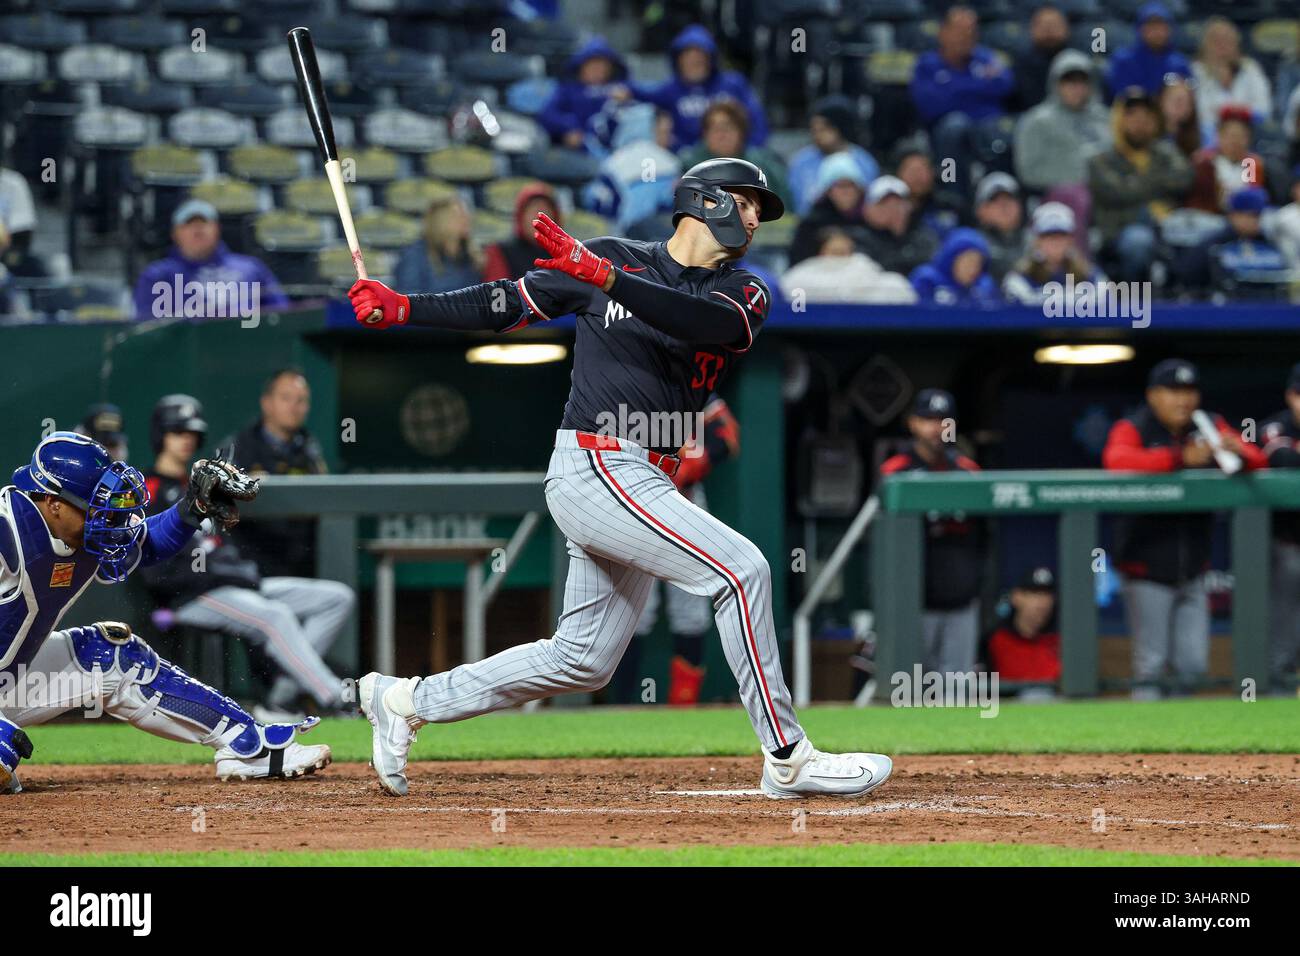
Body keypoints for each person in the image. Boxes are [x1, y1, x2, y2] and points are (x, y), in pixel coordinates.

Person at [344, 157, 892, 799]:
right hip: (596, 461)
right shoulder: (608, 256)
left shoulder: (743, 290)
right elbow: (503, 305)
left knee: (583, 658)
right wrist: (403, 306)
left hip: (649, 477)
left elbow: (704, 324)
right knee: (743, 572)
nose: (752, 218)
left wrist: (603, 277)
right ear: (703, 199)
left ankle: (406, 700)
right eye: (744, 203)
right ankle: (789, 756)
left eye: (757, 210)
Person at [0, 432, 330, 792]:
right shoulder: (7, 531)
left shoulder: (82, 532)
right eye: (94, 508)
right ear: (52, 503)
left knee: (114, 656)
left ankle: (249, 746)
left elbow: (145, 541)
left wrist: (192, 508)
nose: (107, 520)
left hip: (12, 679)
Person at [141, 395, 352, 722]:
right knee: (276, 616)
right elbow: (156, 567)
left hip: (236, 584)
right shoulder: (148, 489)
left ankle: (281, 700)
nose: (186, 440)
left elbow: (223, 545)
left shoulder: (202, 485)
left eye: (192, 434)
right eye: (177, 432)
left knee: (336, 598)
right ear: (160, 435)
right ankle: (337, 698)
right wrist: (222, 574)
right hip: (191, 596)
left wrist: (238, 571)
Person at [1102, 359, 1267, 699]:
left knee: (1192, 666)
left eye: (1189, 391)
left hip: (1193, 568)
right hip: (1145, 566)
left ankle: (1178, 752)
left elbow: (1257, 458)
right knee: (1151, 665)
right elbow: (1117, 461)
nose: (1183, 400)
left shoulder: (1208, 425)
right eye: (1173, 392)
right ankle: (1140, 748)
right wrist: (1178, 459)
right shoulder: (1134, 427)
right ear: (1153, 395)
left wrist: (1241, 452)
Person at [625, 397, 740, 706]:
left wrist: (692, 463)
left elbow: (727, 435)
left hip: (685, 500)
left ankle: (682, 709)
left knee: (690, 612)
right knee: (634, 612)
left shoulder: (691, 387)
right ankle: (618, 707)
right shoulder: (627, 390)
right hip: (636, 501)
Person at [879, 390, 984, 679]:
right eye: (928, 420)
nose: (936, 428)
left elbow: (986, 539)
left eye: (943, 420)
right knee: (909, 689)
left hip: (961, 600)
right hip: (913, 602)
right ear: (913, 423)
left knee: (955, 693)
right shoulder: (895, 471)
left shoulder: (969, 472)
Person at [225, 368, 334, 579]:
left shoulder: (310, 450)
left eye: (301, 400)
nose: (294, 407)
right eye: (286, 398)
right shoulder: (240, 447)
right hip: (254, 564)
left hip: (302, 563)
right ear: (267, 403)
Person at [1087, 87, 1193, 282]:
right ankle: (1135, 303)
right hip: (1122, 230)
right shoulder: (1101, 159)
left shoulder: (1165, 151)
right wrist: (1158, 182)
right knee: (1139, 241)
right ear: (1119, 120)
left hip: (1170, 226)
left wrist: (1137, 183)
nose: (1140, 122)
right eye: (1132, 115)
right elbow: (1118, 192)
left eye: (1147, 115)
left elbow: (1183, 178)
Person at [910, 6, 1014, 196]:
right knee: (954, 127)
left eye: (971, 31)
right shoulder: (927, 64)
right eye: (959, 30)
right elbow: (930, 104)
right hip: (943, 134)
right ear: (943, 32)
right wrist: (979, 86)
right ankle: (951, 190)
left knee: (1005, 130)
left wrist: (954, 88)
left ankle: (1000, 196)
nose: (966, 36)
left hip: (987, 127)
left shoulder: (985, 57)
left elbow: (1005, 84)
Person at [133, 199, 289, 321]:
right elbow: (147, 327)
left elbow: (281, 314)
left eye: (204, 223)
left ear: (217, 229)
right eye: (189, 224)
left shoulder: (251, 268)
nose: (198, 230)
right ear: (175, 233)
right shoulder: (158, 276)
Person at [637, 24, 769, 150]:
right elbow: (639, 92)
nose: (693, 62)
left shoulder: (733, 83)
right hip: (687, 160)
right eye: (687, 59)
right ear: (678, 62)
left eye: (699, 58)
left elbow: (757, 120)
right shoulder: (670, 90)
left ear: (710, 60)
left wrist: (750, 151)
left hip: (736, 156)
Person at [1256, 363, 1300, 692]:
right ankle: (1277, 693)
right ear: (1291, 396)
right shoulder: (1275, 425)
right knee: (1283, 634)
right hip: (1287, 544)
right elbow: (1281, 457)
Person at [1014, 49, 1112, 193]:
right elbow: (1028, 173)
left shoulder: (1105, 117)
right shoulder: (1036, 121)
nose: (1077, 89)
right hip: (1060, 196)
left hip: (1110, 193)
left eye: (1082, 82)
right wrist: (1081, 177)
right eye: (1069, 82)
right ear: (1055, 84)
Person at [678, 100, 790, 211]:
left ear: (742, 133)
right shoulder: (689, 166)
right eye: (715, 129)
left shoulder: (763, 164)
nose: (722, 135)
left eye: (728, 129)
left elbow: (783, 206)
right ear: (704, 134)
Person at [537, 36, 634, 151]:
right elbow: (548, 114)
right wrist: (570, 128)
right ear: (581, 66)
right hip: (583, 150)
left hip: (620, 148)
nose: (599, 70)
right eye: (593, 64)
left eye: (603, 65)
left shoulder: (622, 87)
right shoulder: (568, 89)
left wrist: (627, 102)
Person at [787, 96, 879, 216]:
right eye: (814, 130)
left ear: (840, 128)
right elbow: (792, 204)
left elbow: (870, 203)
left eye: (823, 130)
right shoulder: (801, 161)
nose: (817, 136)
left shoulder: (863, 162)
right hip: (809, 225)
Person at [779, 226, 918, 305]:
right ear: (821, 252)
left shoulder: (863, 265)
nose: (840, 258)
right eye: (835, 252)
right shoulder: (801, 275)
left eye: (844, 252)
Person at [1004, 202, 1103, 304]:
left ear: (1071, 240)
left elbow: (1107, 308)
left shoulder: (1090, 276)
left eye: (1061, 235)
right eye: (1048, 235)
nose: (1055, 242)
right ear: (1037, 241)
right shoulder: (1020, 279)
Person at [1190, 17, 1273, 134]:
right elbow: (1199, 113)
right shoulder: (1196, 71)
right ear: (1205, 45)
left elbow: (1264, 109)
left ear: (1236, 44)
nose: (1222, 46)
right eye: (1216, 41)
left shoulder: (1250, 68)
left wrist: (1234, 113)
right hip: (1207, 136)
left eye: (1227, 40)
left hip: (1249, 133)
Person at [985, 566, 1061, 693]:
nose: (1043, 602)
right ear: (1016, 597)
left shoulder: (1060, 641)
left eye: (1047, 594)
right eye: (1034, 593)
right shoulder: (995, 640)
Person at [787, 151, 870, 266]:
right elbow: (798, 261)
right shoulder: (811, 223)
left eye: (851, 185)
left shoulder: (870, 218)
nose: (846, 192)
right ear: (828, 191)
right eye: (840, 186)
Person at [1206, 186, 1290, 297]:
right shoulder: (1213, 244)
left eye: (1260, 216)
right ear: (1234, 215)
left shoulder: (1268, 242)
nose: (1258, 221)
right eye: (1253, 215)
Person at [1185, 105, 1268, 214]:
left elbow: (1253, 195)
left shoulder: (1252, 163)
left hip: (1243, 217)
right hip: (1210, 215)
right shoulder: (1204, 161)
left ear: (1248, 139)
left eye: (1240, 136)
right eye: (1230, 136)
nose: (1235, 142)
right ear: (1218, 136)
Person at [393, 194, 482, 294]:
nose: (467, 219)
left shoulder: (470, 255)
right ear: (440, 222)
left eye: (466, 214)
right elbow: (408, 299)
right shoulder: (415, 256)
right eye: (459, 216)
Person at [858, 175, 940, 277]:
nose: (893, 209)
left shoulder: (925, 237)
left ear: (909, 207)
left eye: (898, 203)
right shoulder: (859, 240)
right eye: (884, 204)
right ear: (867, 209)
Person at [1105, 2, 1191, 99]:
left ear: (1169, 29)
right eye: (1151, 26)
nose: (1156, 31)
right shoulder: (1123, 60)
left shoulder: (1179, 63)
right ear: (1140, 29)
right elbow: (1120, 96)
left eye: (1161, 26)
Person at [482, 182, 562, 282]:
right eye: (533, 211)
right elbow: (497, 294)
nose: (539, 220)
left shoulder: (568, 253)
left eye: (545, 212)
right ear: (521, 217)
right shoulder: (500, 252)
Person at [909, 228, 1002, 306]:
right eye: (968, 262)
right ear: (951, 259)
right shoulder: (928, 280)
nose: (973, 269)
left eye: (978, 263)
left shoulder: (983, 286)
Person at [1010, 4, 1071, 114]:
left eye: (1054, 25)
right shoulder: (1022, 63)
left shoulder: (1076, 61)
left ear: (1066, 28)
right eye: (1044, 26)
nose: (1049, 31)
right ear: (1031, 29)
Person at [972, 172, 1025, 283]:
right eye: (994, 201)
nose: (1004, 206)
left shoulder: (1036, 242)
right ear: (980, 210)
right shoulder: (972, 245)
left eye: (1010, 199)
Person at [1159, 76, 1202, 159]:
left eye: (1187, 102)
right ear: (1162, 101)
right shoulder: (1150, 134)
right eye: (1177, 100)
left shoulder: (1200, 135)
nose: (1182, 106)